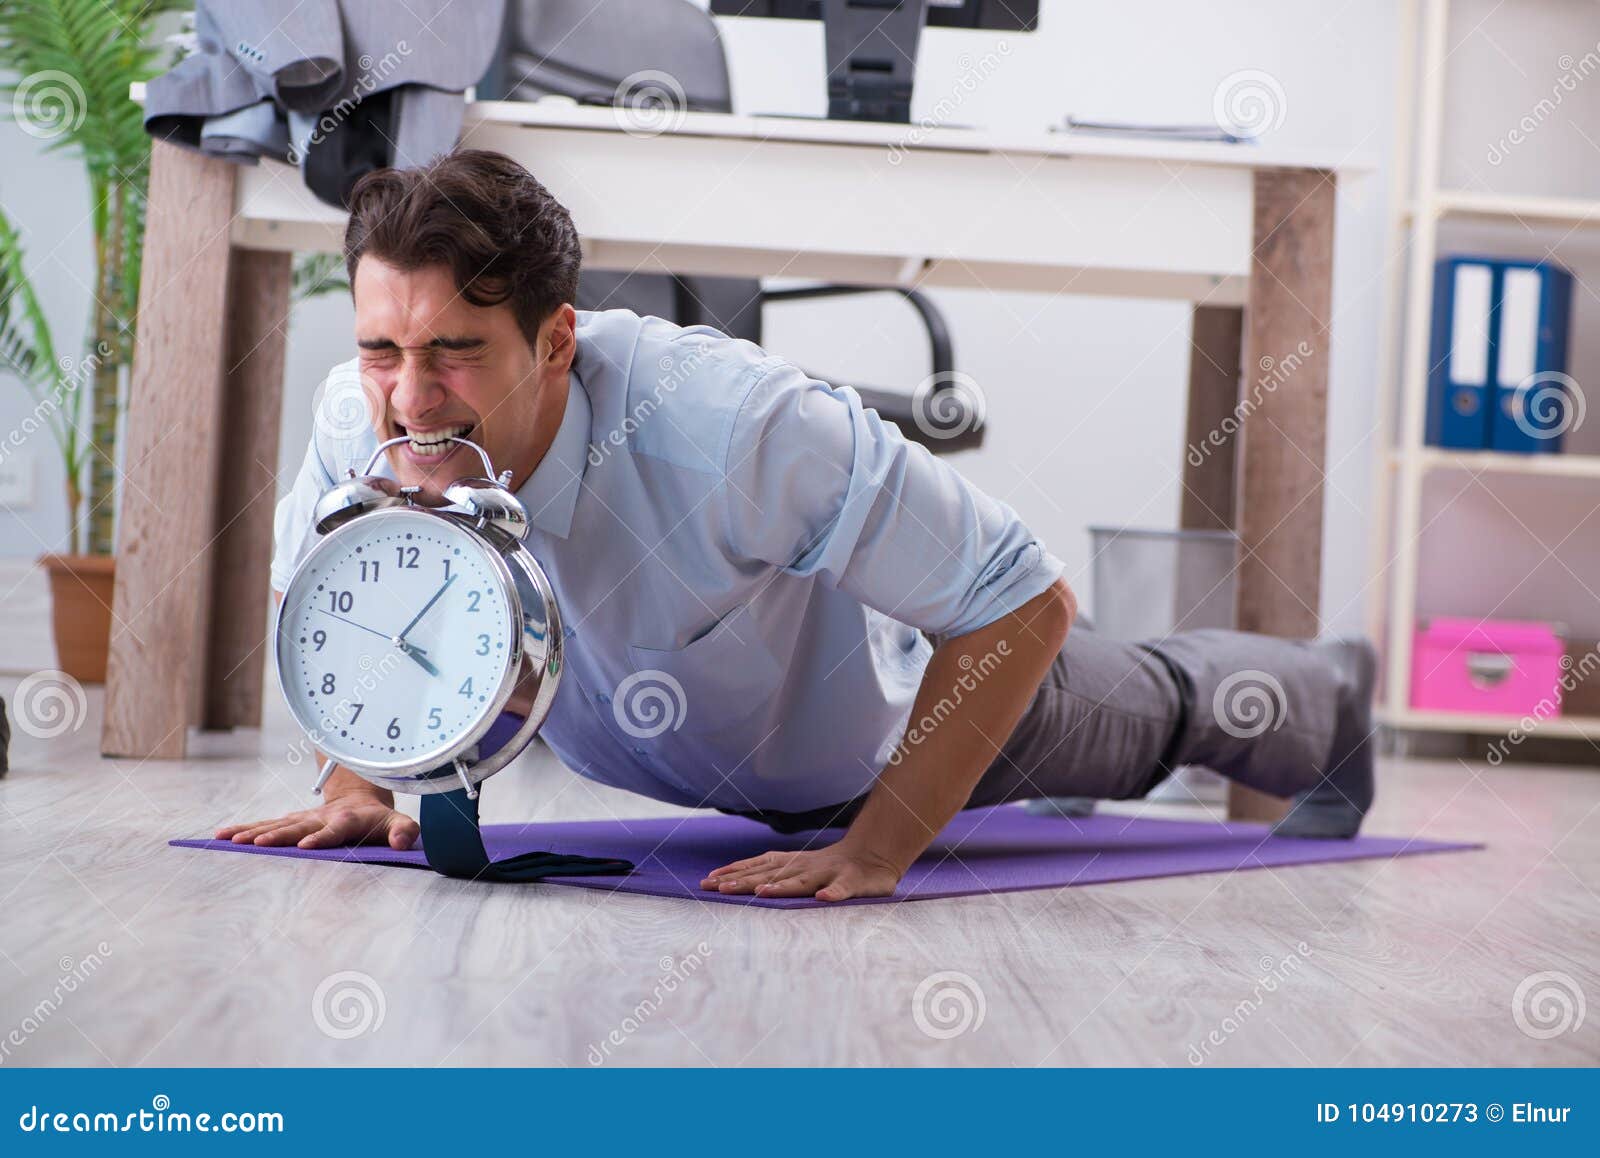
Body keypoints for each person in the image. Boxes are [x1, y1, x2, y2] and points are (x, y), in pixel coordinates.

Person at [217, 150, 1376, 902]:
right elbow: (320, 597)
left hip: (887, 734)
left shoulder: (731, 427)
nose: (411, 400)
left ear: (558, 340)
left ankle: (1328, 696)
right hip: (698, 768)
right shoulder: (357, 420)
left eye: (455, 354)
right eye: (383, 348)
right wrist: (353, 786)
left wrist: (877, 849)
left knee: (1143, 711)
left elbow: (1022, 602)